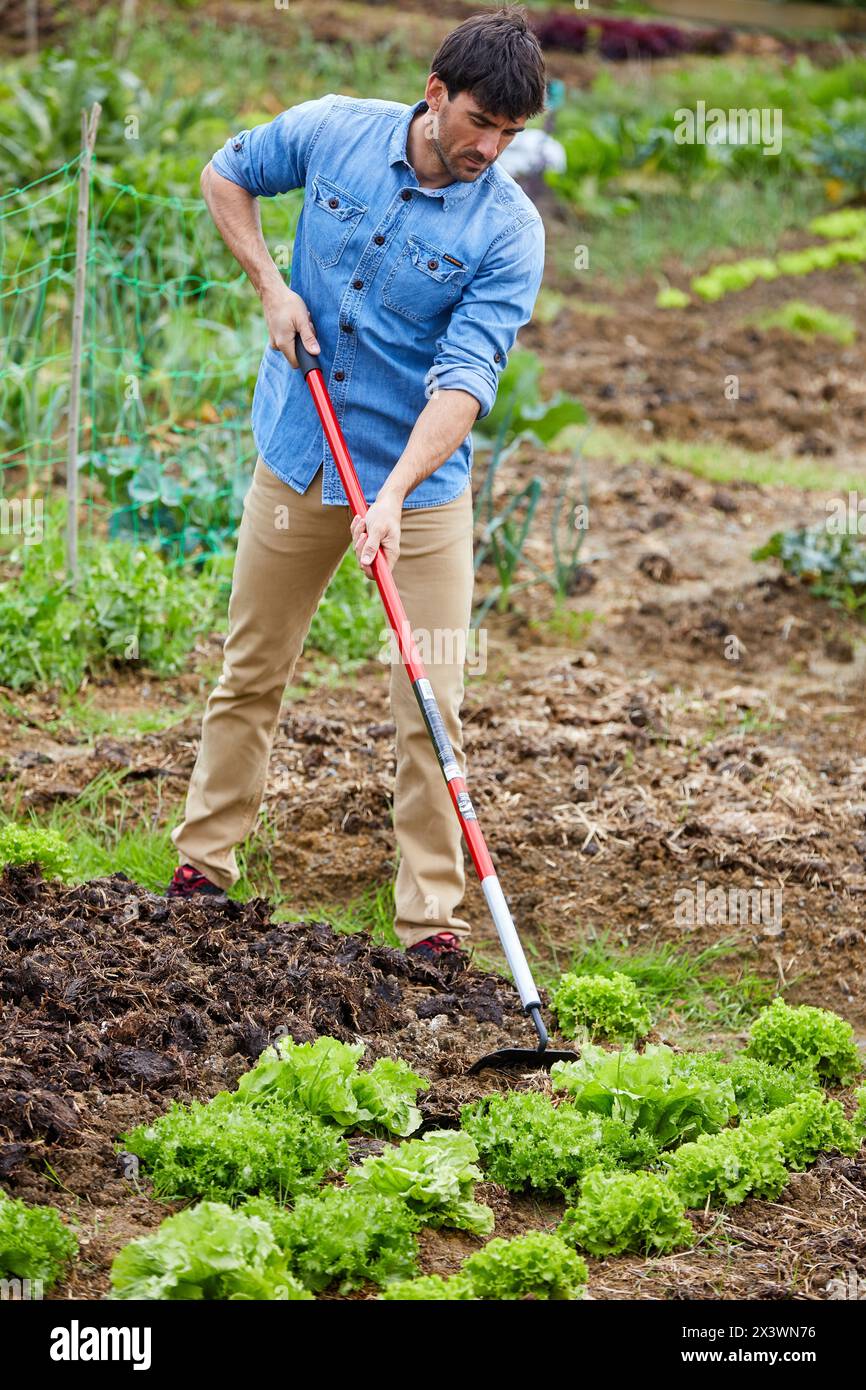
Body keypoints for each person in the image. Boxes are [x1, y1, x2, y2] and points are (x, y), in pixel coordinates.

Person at [166, 6, 546, 961]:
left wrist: (390, 494)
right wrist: (270, 284)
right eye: (480, 123)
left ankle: (430, 924)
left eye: (511, 133)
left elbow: (465, 381)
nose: (491, 148)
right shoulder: (335, 128)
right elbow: (226, 173)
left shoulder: (509, 231)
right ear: (435, 94)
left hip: (418, 489)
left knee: (432, 701)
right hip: (300, 453)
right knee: (252, 668)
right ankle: (203, 869)